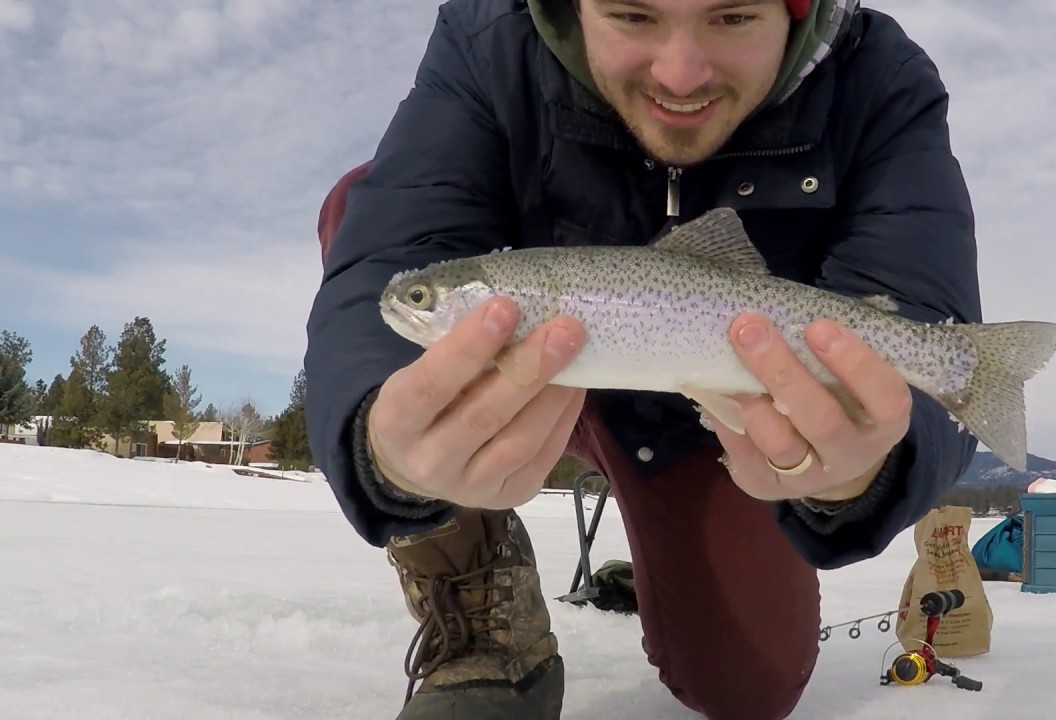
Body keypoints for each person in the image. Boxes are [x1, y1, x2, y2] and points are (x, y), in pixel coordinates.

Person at [304, 0, 981, 718]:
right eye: (632, 14)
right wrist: (384, 447)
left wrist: (862, 467)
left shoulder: (878, 76)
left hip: (730, 426)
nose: (680, 74)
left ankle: (665, 549)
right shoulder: (487, 40)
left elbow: (917, 297)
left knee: (746, 691)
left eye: (733, 17)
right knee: (360, 201)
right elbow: (396, 242)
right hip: (541, 387)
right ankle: (476, 596)